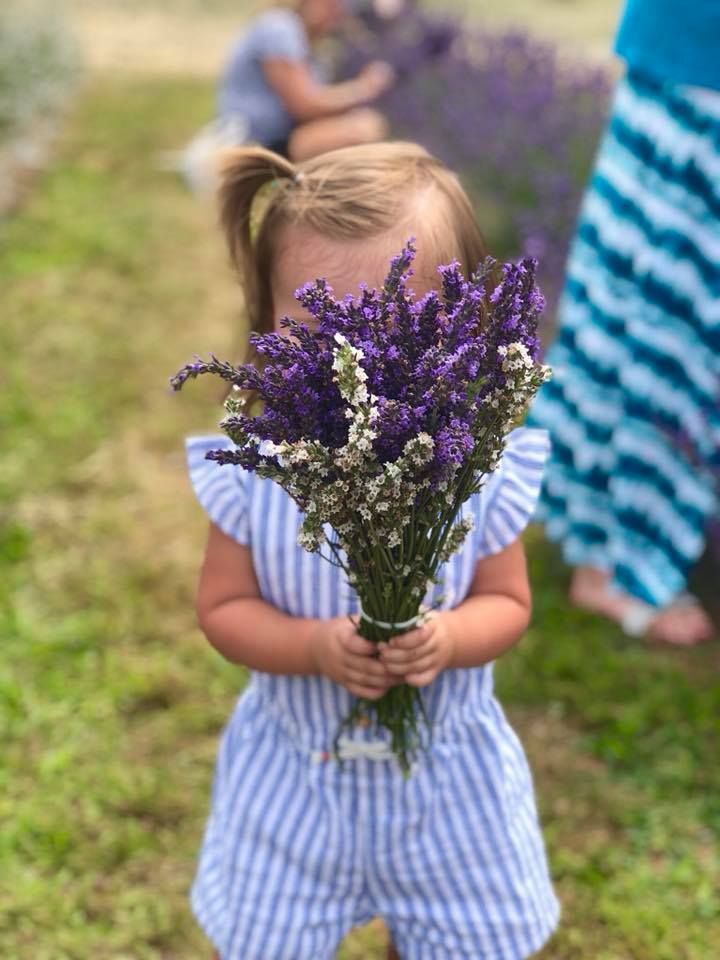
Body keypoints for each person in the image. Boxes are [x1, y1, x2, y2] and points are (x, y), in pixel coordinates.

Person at [183, 142, 560, 959]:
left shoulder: (478, 461)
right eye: (321, 334)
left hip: (449, 793)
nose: (357, 360)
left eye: (393, 332)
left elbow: (508, 601)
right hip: (293, 792)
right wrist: (313, 645)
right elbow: (222, 610)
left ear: (461, 331)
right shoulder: (257, 468)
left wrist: (451, 637)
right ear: (266, 328)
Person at [528, 0, 720, 645]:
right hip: (700, 59)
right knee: (667, 323)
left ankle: (613, 541)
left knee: (652, 308)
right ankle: (614, 558)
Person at [216, 0, 393, 160]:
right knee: (361, 129)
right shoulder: (279, 27)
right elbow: (305, 105)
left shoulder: (307, 43)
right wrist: (363, 88)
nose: (335, 16)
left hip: (283, 138)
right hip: (256, 142)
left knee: (365, 122)